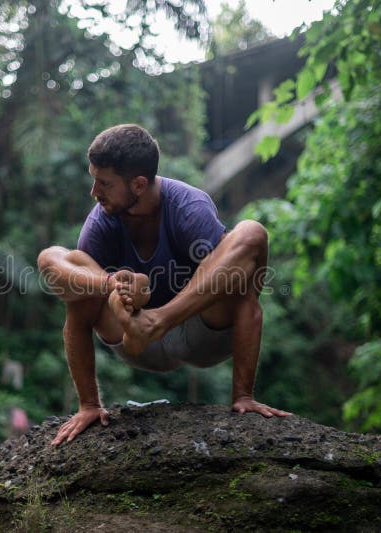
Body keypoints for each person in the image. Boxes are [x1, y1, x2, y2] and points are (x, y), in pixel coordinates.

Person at [37, 124, 291, 446]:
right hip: (134, 337)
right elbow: (74, 300)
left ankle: (241, 393)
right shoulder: (101, 221)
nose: (94, 192)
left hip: (203, 333)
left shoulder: (188, 206)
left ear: (138, 184)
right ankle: (122, 299)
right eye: (94, 179)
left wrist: (159, 319)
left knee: (252, 235)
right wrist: (111, 284)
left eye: (104, 183)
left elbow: (239, 285)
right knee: (56, 259)